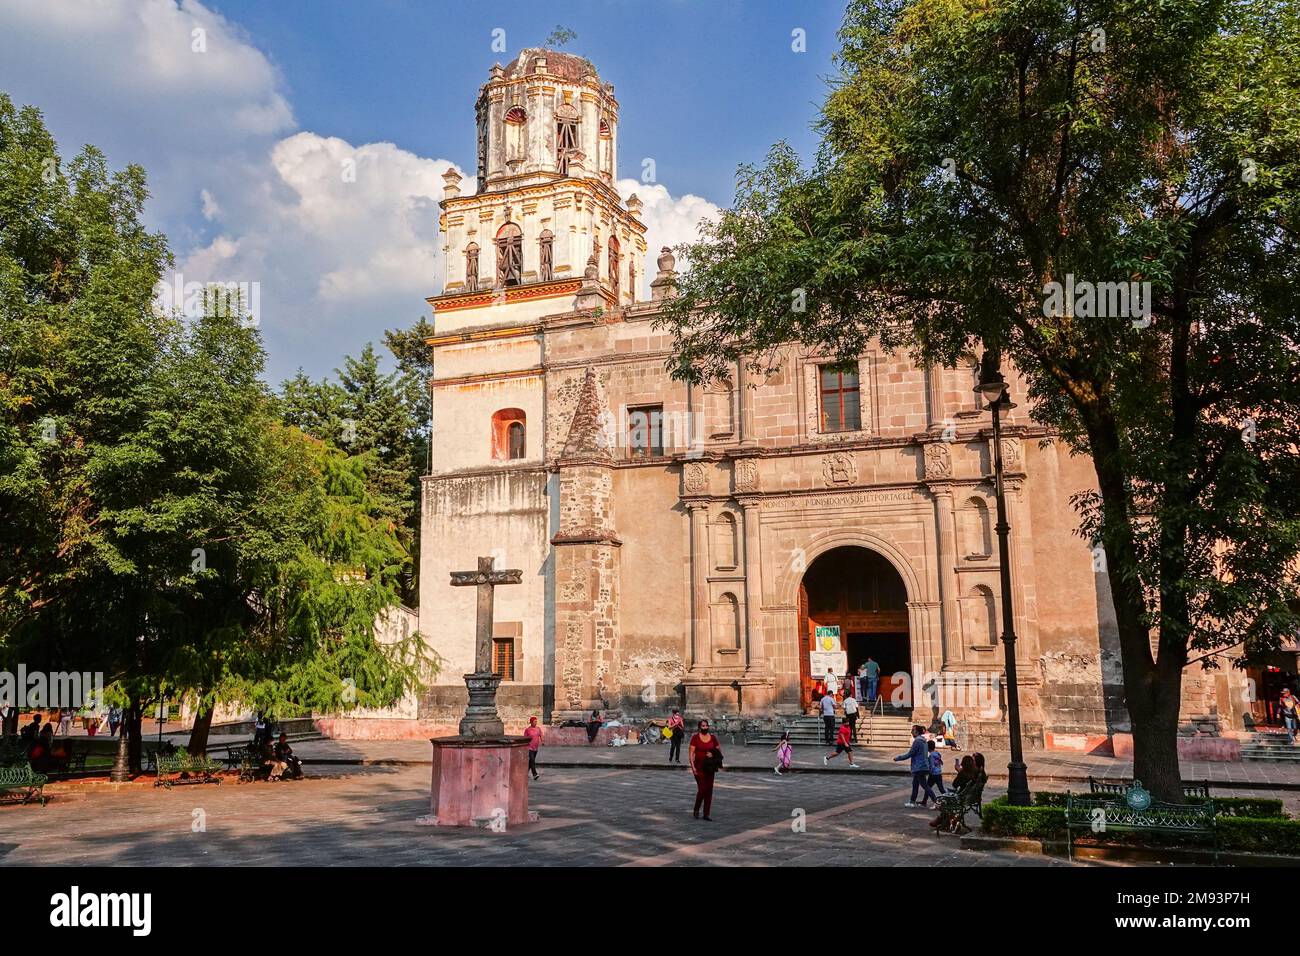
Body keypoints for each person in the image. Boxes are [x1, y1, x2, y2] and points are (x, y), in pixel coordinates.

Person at [689, 719, 723, 820]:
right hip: (699, 767)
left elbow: (719, 751)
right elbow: (691, 754)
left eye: (706, 726)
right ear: (700, 727)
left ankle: (706, 813)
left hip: (710, 767)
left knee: (709, 790)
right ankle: (696, 809)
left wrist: (713, 753)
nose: (705, 727)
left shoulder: (713, 738)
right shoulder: (695, 738)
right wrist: (693, 767)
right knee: (702, 789)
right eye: (703, 726)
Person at [894, 724, 935, 808]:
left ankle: (936, 801)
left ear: (917, 732)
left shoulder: (917, 741)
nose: (911, 732)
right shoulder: (924, 741)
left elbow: (910, 754)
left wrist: (898, 758)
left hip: (919, 767)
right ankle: (912, 802)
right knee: (915, 784)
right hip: (923, 766)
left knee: (924, 786)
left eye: (913, 730)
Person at [523, 716, 543, 780]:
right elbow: (525, 738)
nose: (536, 723)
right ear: (531, 722)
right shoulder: (528, 730)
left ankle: (524, 773)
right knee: (532, 761)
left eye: (536, 721)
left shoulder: (538, 729)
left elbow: (541, 735)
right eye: (534, 721)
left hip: (535, 748)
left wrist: (542, 741)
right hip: (530, 748)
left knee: (530, 762)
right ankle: (535, 774)